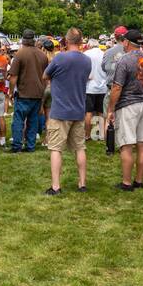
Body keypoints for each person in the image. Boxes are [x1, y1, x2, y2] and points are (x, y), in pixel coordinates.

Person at [41, 28, 91, 194]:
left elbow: (45, 76)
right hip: (78, 109)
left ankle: (56, 186)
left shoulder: (60, 57)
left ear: (66, 41)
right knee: (79, 147)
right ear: (81, 41)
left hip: (60, 110)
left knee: (56, 148)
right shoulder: (86, 60)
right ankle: (82, 183)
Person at [105, 29, 143, 190]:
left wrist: (111, 109)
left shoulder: (124, 61)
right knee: (142, 145)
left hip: (128, 104)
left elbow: (117, 87)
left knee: (126, 145)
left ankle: (126, 182)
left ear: (126, 42)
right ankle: (139, 181)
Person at [8, 30, 48, 153]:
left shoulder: (20, 54)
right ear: (34, 40)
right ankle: (30, 146)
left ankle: (17, 146)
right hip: (38, 92)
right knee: (33, 120)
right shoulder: (42, 55)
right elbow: (46, 77)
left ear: (23, 40)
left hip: (23, 92)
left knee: (19, 121)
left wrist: (10, 92)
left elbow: (13, 77)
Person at [101, 26, 127, 153]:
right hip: (126, 90)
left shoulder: (108, 52)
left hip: (111, 88)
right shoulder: (130, 51)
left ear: (115, 37)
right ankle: (124, 145)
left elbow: (104, 68)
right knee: (125, 119)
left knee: (109, 118)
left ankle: (109, 146)